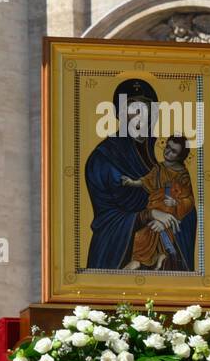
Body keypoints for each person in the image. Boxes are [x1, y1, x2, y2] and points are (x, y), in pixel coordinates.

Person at [84, 77, 160, 270]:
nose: (140, 117)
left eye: (146, 110)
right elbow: (109, 215)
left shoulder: (157, 156)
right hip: (116, 250)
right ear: (121, 114)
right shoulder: (104, 158)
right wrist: (148, 214)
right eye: (133, 110)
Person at [120, 134, 196, 271]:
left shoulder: (183, 174)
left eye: (174, 151)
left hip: (171, 210)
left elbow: (189, 199)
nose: (168, 152)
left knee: (160, 229)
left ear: (180, 156)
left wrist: (177, 203)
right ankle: (144, 259)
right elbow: (146, 180)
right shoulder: (159, 168)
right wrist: (132, 182)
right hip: (156, 208)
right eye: (168, 147)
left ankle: (158, 256)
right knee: (142, 235)